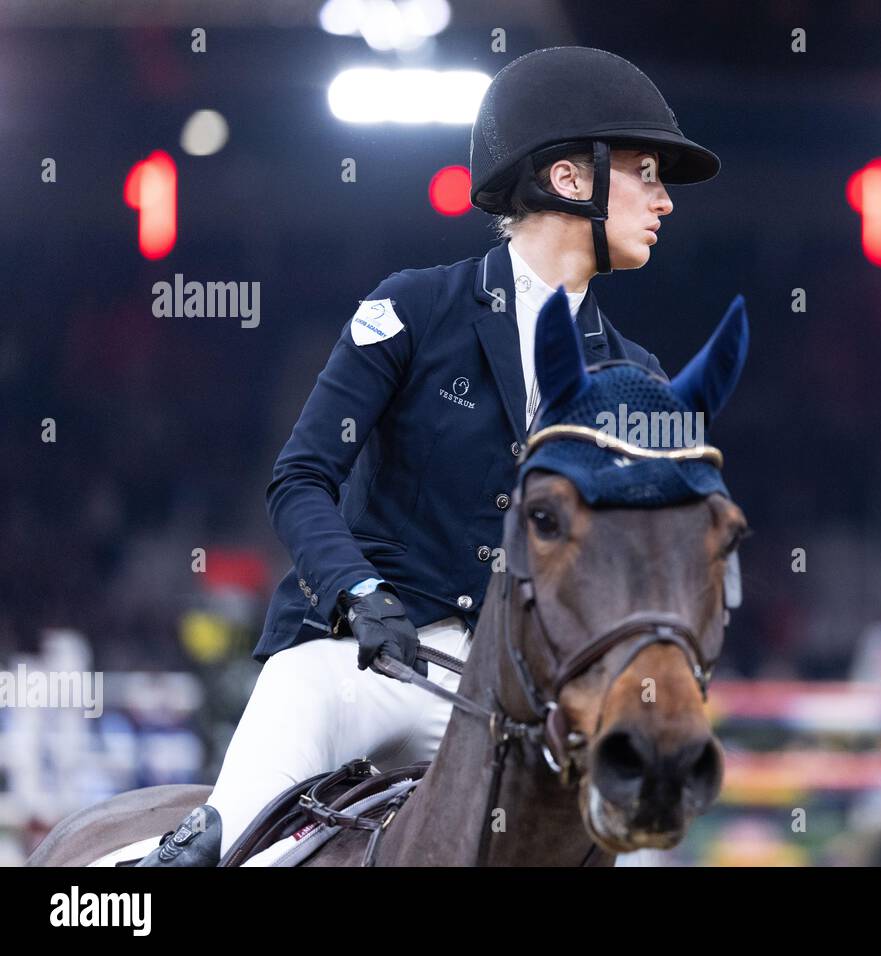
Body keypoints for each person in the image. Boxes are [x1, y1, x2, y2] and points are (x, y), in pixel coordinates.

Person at [136, 45, 720, 865]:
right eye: (646, 172)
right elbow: (301, 478)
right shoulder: (411, 309)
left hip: (514, 695)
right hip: (364, 662)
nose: (663, 201)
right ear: (569, 178)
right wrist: (357, 593)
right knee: (225, 845)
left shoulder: (638, 379)